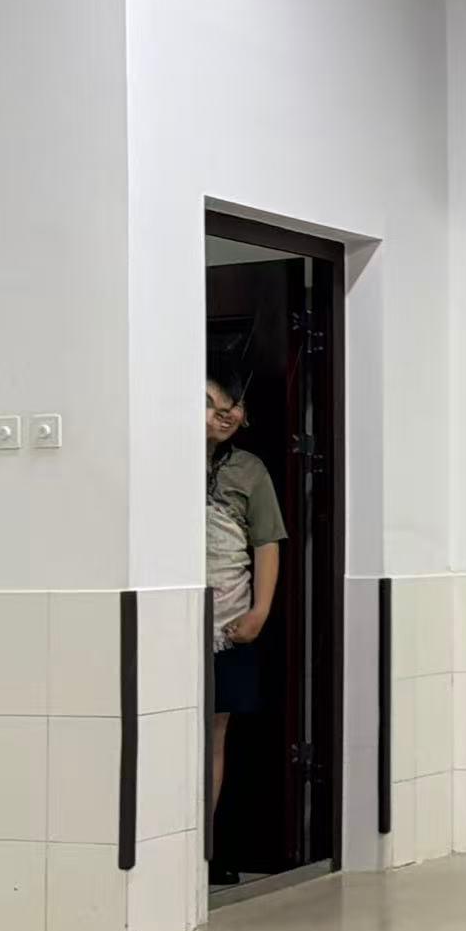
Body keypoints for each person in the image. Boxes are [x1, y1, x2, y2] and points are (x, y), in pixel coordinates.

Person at [205, 371, 284, 886]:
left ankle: (205, 846)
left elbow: (267, 543)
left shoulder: (249, 470)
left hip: (228, 621)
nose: (226, 414)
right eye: (213, 403)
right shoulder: (161, 460)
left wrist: (259, 613)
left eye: (233, 405)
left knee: (214, 734)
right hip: (169, 622)